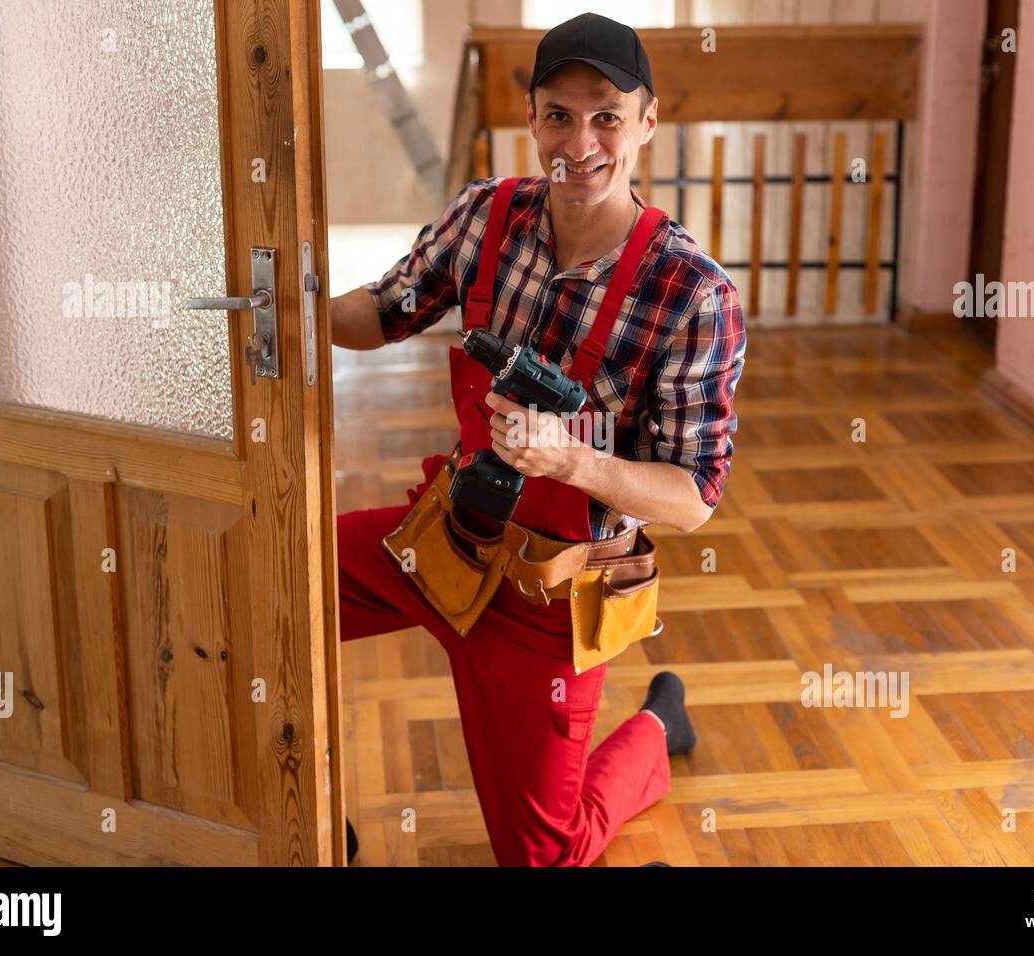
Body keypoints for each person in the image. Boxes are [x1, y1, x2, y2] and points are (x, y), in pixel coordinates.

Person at [329, 12, 745, 867]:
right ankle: (291, 808)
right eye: (559, 114)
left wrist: (575, 460)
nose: (580, 141)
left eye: (606, 115)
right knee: (265, 583)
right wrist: (281, 313)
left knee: (547, 857)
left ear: (647, 123)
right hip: (440, 543)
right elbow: (381, 311)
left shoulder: (690, 295)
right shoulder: (489, 215)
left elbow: (694, 498)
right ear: (532, 119)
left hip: (548, 605)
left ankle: (655, 730)